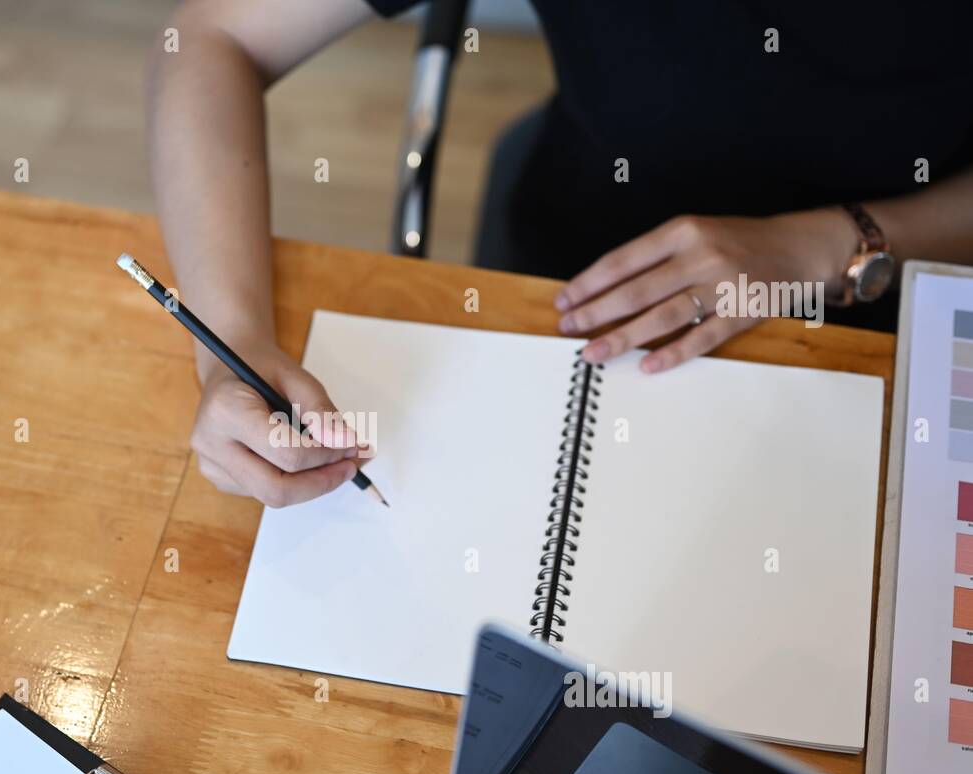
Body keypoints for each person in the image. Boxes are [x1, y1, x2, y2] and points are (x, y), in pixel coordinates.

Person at [146, 0, 973, 507]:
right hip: (575, 283)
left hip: (903, 311)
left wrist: (839, 242)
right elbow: (212, 36)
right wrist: (234, 346)